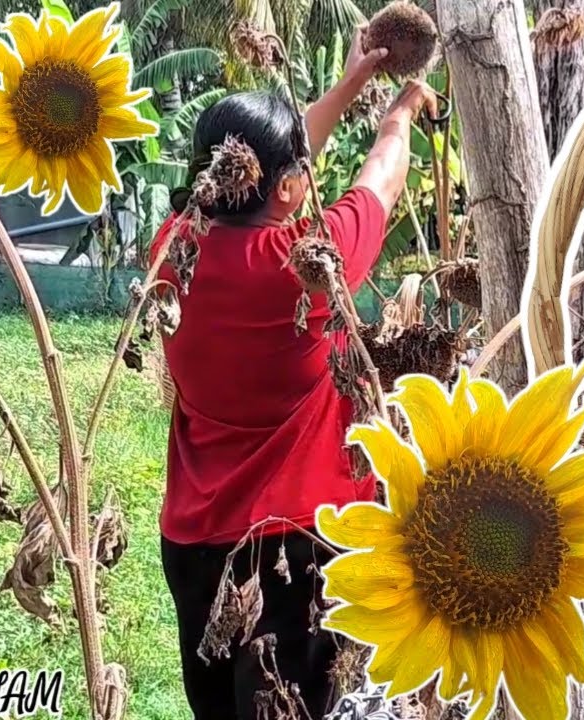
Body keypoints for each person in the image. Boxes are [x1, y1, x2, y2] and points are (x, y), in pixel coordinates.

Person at [152, 26, 437, 720]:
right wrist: (397, 113)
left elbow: (265, 164)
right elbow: (383, 176)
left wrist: (346, 85)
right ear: (286, 188)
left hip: (195, 540)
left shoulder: (173, 250)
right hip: (299, 544)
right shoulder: (313, 261)